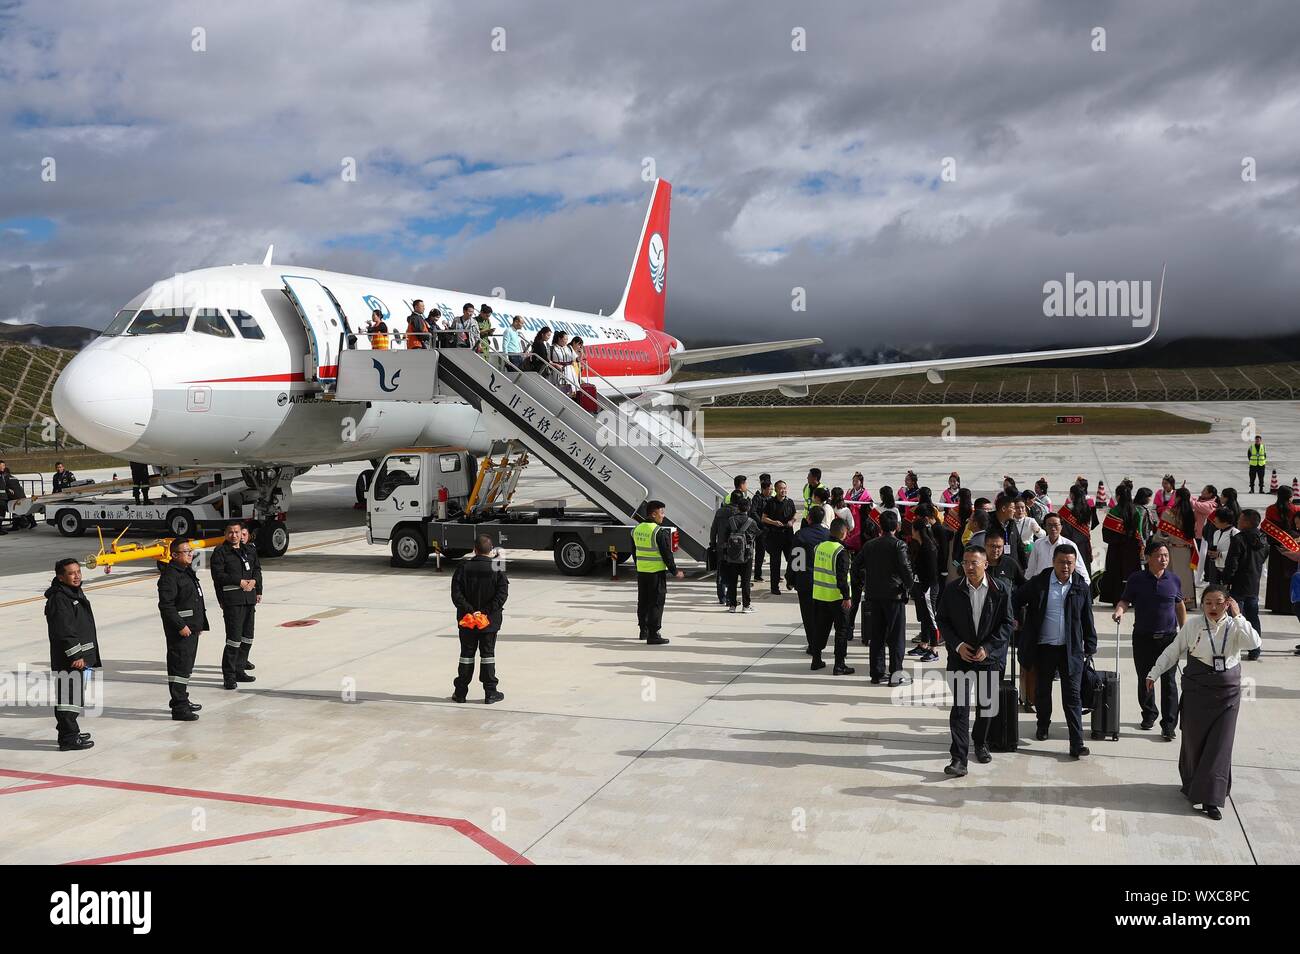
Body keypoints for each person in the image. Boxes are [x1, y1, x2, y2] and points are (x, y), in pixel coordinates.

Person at [1146, 585, 1260, 821]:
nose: (1213, 608)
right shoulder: (1194, 626)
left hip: (1227, 695)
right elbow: (1173, 650)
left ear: (1227, 603)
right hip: (1198, 691)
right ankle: (1193, 785)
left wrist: (1239, 615)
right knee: (1194, 743)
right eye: (1208, 602)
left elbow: (1253, 643)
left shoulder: (1235, 625)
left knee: (1220, 746)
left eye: (1219, 602)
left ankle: (1211, 799)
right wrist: (1153, 673)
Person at [939, 546, 1013, 776]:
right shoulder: (952, 590)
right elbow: (943, 620)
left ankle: (980, 742)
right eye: (966, 562)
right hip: (961, 657)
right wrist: (958, 646)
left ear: (985, 565)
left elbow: (1007, 624)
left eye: (974, 563)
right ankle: (959, 759)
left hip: (988, 659)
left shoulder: (1001, 590)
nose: (969, 567)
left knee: (987, 707)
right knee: (960, 709)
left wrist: (988, 648)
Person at [1016, 546, 1096, 757]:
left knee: (1072, 697)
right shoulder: (1039, 583)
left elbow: (1087, 617)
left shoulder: (1080, 586)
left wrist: (1091, 643)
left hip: (1071, 650)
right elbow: (1015, 599)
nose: (1066, 567)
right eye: (1062, 562)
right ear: (1053, 562)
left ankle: (1076, 743)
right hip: (1044, 648)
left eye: (1070, 562)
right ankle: (1043, 724)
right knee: (1042, 691)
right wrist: (1016, 621)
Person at [1113, 540, 1186, 739]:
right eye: (1159, 556)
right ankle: (1149, 713)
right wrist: (1120, 611)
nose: (1163, 560)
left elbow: (1179, 605)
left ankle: (1169, 724)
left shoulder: (1174, 579)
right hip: (1143, 638)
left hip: (1169, 638)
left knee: (1169, 682)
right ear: (1148, 557)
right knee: (1146, 678)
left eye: (1166, 556)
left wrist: (1184, 630)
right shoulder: (1136, 579)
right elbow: (1125, 600)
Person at [44, 558, 99, 750]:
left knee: (75, 697)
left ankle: (70, 731)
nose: (76, 576)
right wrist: (76, 656)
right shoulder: (60, 599)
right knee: (68, 698)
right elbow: (64, 631)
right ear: (60, 577)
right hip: (71, 659)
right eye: (71, 573)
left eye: (78, 572)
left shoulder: (73, 592)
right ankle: (68, 738)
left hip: (82, 657)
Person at [451, 535, 509, 703]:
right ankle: (490, 693)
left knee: (466, 655)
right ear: (491, 551)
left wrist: (472, 611)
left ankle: (460, 692)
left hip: (468, 621)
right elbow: (502, 595)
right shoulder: (497, 569)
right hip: (488, 622)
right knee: (488, 655)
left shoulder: (463, 568)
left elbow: (456, 595)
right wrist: (484, 612)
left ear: (474, 550)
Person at [859, 510, 913, 685]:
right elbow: (905, 569)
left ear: (879, 525)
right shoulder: (899, 545)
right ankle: (895, 674)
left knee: (877, 636)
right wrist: (909, 585)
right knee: (896, 637)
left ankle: (876, 672)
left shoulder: (870, 545)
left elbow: (856, 565)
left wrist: (867, 582)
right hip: (894, 596)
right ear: (896, 526)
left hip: (874, 595)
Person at [157, 538, 207, 721]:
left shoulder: (186, 571)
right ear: (175, 555)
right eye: (186, 551)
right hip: (181, 631)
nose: (190, 554)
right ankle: (179, 707)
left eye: (190, 551)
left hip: (191, 628)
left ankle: (182, 699)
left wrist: (199, 624)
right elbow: (166, 606)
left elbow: (196, 599)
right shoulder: (170, 576)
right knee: (179, 668)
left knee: (186, 668)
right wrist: (182, 626)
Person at [210, 521, 261, 690]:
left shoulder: (249, 550)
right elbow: (218, 575)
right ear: (225, 534)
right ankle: (229, 676)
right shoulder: (220, 552)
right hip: (233, 601)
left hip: (249, 599)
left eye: (237, 532)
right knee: (233, 640)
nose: (234, 535)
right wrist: (238, 582)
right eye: (230, 532)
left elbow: (257, 569)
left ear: (242, 533)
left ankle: (240, 670)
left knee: (248, 638)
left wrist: (256, 584)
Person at [633, 501, 683, 645]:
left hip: (642, 572)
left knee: (643, 601)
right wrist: (675, 571)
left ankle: (643, 630)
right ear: (653, 514)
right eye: (661, 513)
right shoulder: (658, 532)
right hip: (656, 573)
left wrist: (640, 566)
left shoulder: (637, 529)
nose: (663, 516)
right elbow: (667, 554)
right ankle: (654, 634)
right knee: (656, 603)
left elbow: (634, 552)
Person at [809, 518, 855, 674]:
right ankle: (839, 664)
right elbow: (842, 578)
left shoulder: (818, 547)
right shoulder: (841, 551)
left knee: (820, 629)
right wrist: (847, 597)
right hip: (836, 598)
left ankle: (816, 659)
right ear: (843, 533)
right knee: (841, 631)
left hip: (820, 595)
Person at [1221, 509, 1267, 661]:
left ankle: (1231, 647)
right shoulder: (1263, 539)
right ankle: (1255, 648)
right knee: (1253, 616)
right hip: (1253, 583)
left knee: (1234, 615)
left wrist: (1226, 580)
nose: (1238, 522)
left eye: (1240, 519)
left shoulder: (1239, 539)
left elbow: (1232, 562)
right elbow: (1263, 557)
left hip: (1238, 584)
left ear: (1247, 522)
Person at [791, 505, 831, 652]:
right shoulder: (828, 535)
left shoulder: (801, 535)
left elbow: (796, 560)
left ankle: (813, 644)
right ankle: (820, 642)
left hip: (806, 581)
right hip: (825, 581)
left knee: (808, 616)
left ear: (808, 519)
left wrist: (791, 579)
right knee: (823, 615)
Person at [1100, 482, 1146, 604]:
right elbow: (1139, 533)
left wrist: (1117, 539)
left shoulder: (1114, 511)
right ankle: (1132, 598)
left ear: (1118, 496)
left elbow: (1106, 533)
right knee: (1131, 573)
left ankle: (1116, 598)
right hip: (1132, 549)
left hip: (1116, 549)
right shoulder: (1136, 511)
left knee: (1116, 573)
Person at [906, 517, 942, 663]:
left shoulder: (929, 547)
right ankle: (924, 643)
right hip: (921, 587)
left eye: (913, 528)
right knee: (924, 617)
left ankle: (934, 648)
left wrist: (925, 588)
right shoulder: (920, 545)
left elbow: (932, 573)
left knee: (931, 617)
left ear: (917, 530)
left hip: (928, 588)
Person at [1262, 487, 1299, 614]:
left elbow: (1267, 529)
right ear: (1291, 497)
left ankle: (1275, 605)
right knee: (1290, 576)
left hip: (1276, 547)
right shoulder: (1296, 509)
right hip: (1293, 545)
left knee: (1276, 577)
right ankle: (1290, 605)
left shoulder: (1270, 509)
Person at [1159, 488, 1198, 608]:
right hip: (1186, 550)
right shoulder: (1192, 513)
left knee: (1171, 576)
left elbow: (1161, 534)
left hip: (1172, 549)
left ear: (1178, 498)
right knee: (1185, 577)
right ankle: (1187, 602)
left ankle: (1173, 600)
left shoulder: (1168, 513)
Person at [720, 497, 760, 613]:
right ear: (748, 508)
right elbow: (758, 533)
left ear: (738, 507)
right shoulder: (751, 522)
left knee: (732, 581)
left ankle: (732, 605)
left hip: (732, 556)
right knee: (745, 582)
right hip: (747, 556)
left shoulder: (731, 520)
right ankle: (746, 606)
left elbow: (724, 536)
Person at [1025, 512, 1089, 584]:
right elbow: (1031, 568)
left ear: (1061, 526)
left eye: (1056, 525)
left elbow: (1080, 569)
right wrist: (1026, 584)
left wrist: (1085, 586)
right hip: (1041, 585)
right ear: (1045, 527)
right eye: (1049, 525)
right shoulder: (1038, 544)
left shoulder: (1070, 545)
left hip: (1062, 586)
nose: (1053, 528)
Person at [762, 479, 797, 594]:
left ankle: (791, 580)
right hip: (775, 536)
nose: (783, 490)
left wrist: (792, 521)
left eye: (785, 488)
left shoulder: (790, 502)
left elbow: (794, 514)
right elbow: (763, 518)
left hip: (788, 536)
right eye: (781, 488)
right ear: (776, 490)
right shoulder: (770, 502)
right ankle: (774, 587)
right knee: (775, 563)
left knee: (792, 561)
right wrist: (774, 522)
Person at [1058, 484, 1097, 575]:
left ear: (1072, 495)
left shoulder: (1067, 508)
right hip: (1083, 543)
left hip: (1069, 542)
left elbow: (1059, 523)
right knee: (1083, 568)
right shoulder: (1087, 507)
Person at [751, 476, 773, 583]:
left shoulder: (770, 499)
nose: (771, 491)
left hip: (770, 529)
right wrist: (761, 522)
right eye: (769, 490)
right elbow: (753, 512)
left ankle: (775, 574)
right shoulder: (757, 498)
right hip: (761, 530)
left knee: (773, 551)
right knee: (760, 553)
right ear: (764, 489)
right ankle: (757, 575)